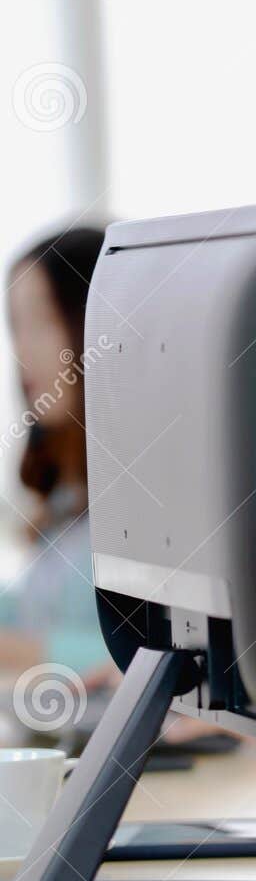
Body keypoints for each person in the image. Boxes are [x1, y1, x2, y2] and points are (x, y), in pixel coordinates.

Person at [0, 227, 106, 675]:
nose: (22, 353)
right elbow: (25, 613)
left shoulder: (147, 501)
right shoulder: (65, 498)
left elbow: (140, 665)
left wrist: (16, 651)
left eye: (39, 322)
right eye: (15, 329)